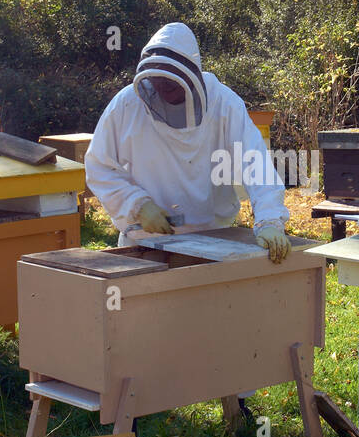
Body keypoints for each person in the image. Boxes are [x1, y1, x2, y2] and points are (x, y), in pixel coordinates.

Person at [85, 22, 292, 262]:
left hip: (214, 241)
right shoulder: (126, 105)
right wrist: (137, 205)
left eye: (172, 80)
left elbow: (256, 165)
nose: (164, 87)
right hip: (144, 240)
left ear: (192, 73)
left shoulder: (224, 104)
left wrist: (269, 220)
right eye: (159, 80)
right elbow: (99, 166)